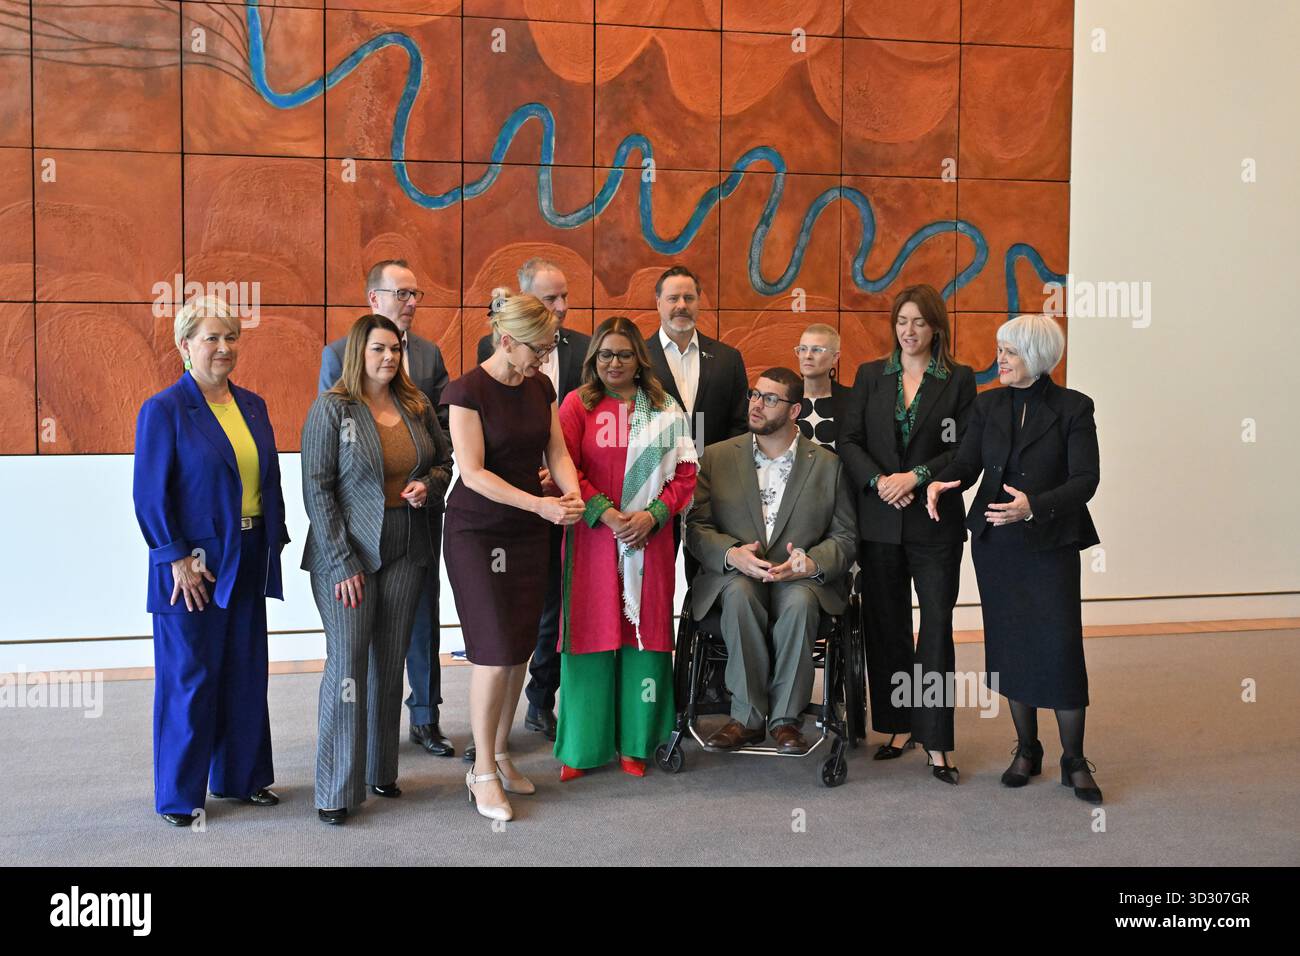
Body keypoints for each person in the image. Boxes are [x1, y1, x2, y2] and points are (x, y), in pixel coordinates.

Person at [926, 314, 1103, 803]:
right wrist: (945, 481)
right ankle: (1027, 749)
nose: (999, 358)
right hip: (997, 547)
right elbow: (968, 462)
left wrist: (1034, 506)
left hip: (1050, 543)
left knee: (1060, 646)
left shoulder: (1074, 407)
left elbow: (1086, 480)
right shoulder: (987, 405)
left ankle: (1074, 759)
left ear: (1038, 357)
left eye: (1011, 351)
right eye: (1000, 349)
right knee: (1010, 643)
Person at [132, 296, 290, 827]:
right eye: (211, 338)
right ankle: (180, 795)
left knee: (245, 671)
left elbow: (267, 479)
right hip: (191, 569)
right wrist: (176, 559)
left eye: (231, 338)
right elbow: (150, 496)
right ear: (184, 345)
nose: (224, 348)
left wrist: (277, 540)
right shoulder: (165, 409)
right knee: (191, 678)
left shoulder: (252, 404)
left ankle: (242, 779)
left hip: (247, 555)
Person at [302, 315, 453, 825]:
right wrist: (342, 560)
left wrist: (427, 486)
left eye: (395, 349)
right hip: (345, 553)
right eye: (378, 350)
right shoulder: (333, 408)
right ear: (357, 355)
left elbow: (445, 461)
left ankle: (379, 771)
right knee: (347, 665)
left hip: (405, 546)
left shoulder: (415, 404)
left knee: (389, 663)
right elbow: (317, 489)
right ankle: (334, 789)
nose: (388, 358)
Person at [444, 290, 584, 821]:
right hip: (478, 532)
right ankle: (479, 770)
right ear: (506, 340)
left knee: (521, 647)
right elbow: (474, 474)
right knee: (493, 649)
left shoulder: (540, 386)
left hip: (529, 529)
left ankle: (500, 753)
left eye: (548, 348)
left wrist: (568, 493)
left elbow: (557, 450)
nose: (543, 358)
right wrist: (541, 505)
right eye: (537, 348)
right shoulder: (465, 391)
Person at [839, 285, 976, 785]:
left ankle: (937, 738)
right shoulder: (872, 375)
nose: (909, 331)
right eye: (902, 321)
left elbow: (963, 449)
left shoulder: (958, 379)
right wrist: (880, 482)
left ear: (935, 327)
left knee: (936, 626)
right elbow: (849, 440)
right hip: (879, 521)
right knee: (887, 625)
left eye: (919, 322)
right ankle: (898, 725)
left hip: (934, 520)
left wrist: (914, 478)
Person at [319, 259, 455, 759]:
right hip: (361, 527)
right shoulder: (338, 356)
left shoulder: (429, 353)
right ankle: (370, 729)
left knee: (422, 615)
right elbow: (331, 450)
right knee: (361, 639)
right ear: (373, 299)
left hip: (417, 519)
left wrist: (426, 482)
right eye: (402, 293)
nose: (412, 302)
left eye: (415, 293)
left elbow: (443, 439)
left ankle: (426, 717)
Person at [554, 317, 697, 780]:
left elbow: (686, 474)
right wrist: (607, 514)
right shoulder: (577, 406)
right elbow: (563, 468)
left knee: (645, 638)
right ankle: (583, 747)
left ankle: (638, 742)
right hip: (592, 538)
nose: (614, 362)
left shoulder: (663, 407)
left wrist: (652, 517)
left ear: (640, 359)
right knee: (591, 637)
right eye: (605, 354)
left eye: (624, 354)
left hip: (647, 541)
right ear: (594, 359)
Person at [685, 368, 856, 755]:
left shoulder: (828, 464)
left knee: (799, 601)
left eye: (770, 399)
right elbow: (695, 528)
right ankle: (746, 718)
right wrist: (731, 554)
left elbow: (845, 538)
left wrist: (810, 563)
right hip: (736, 576)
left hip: (799, 580)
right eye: (754, 395)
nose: (757, 404)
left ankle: (784, 721)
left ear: (795, 410)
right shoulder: (716, 457)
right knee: (740, 593)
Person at [472, 258, 590, 752]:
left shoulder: (564, 365)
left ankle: (514, 732)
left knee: (541, 620)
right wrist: (536, 493)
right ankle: (489, 751)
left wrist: (568, 487)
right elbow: (477, 461)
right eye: (549, 299)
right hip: (495, 517)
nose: (561, 309)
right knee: (504, 636)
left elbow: (561, 442)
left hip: (552, 507)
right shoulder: (476, 374)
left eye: (565, 298)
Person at [644, 265, 749, 585]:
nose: (681, 305)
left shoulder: (728, 358)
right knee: (653, 581)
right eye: (673, 297)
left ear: (699, 301)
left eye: (689, 297)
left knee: (707, 581)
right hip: (655, 492)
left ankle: (697, 637)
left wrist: (711, 468)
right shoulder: (638, 359)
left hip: (710, 491)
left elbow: (740, 423)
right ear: (658, 302)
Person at [794, 323, 851, 452]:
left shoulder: (852, 401)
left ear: (835, 357)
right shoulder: (786, 397)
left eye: (817, 350)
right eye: (803, 349)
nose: (807, 355)